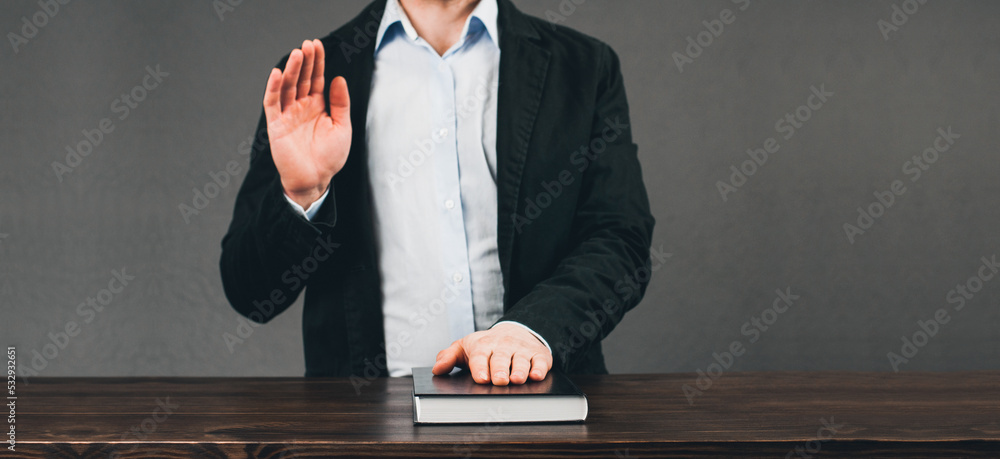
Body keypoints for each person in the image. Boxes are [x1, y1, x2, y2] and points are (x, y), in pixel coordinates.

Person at [220, 0, 654, 386]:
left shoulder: (581, 66)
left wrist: (530, 331)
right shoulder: (316, 76)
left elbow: (620, 240)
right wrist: (302, 195)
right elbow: (251, 294)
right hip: (366, 430)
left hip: (545, 404)